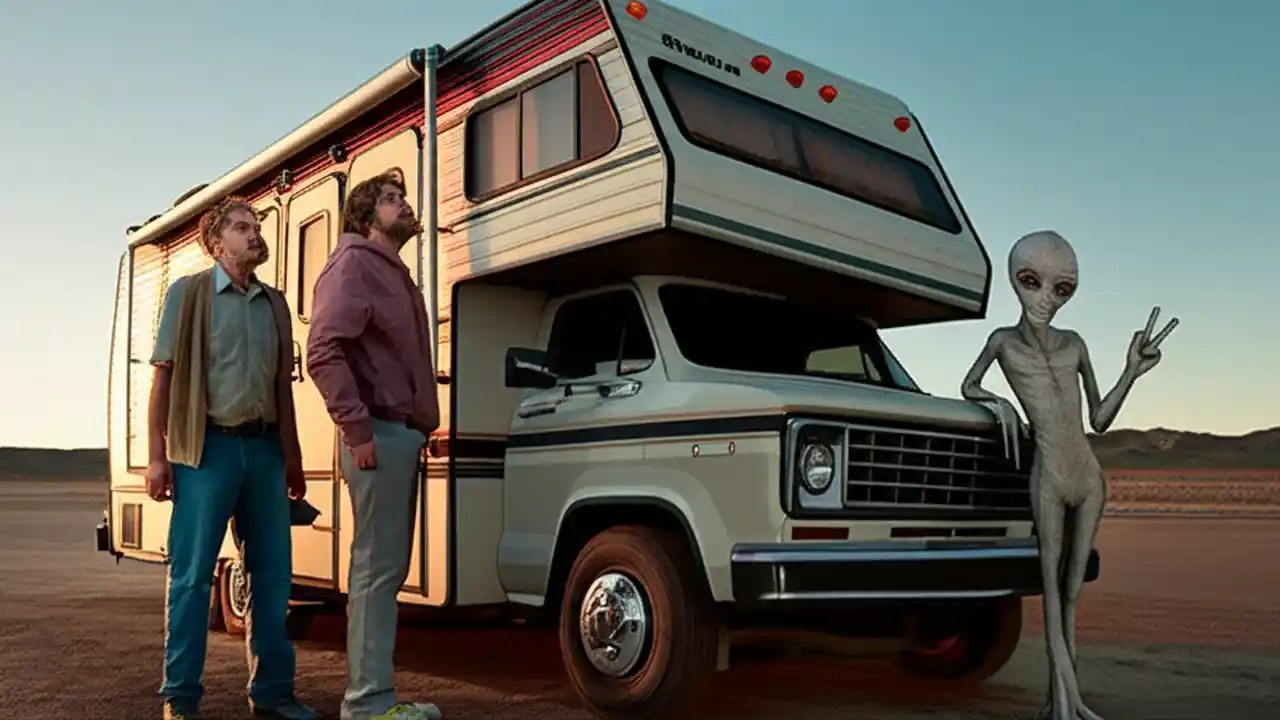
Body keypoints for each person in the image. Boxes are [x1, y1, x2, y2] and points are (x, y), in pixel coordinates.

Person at [146, 196, 321, 720]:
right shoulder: (189, 294)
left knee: (272, 577)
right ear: (216, 243)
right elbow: (163, 380)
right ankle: (180, 699)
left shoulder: (275, 303)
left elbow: (282, 389)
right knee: (193, 575)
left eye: (256, 225)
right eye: (243, 227)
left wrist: (292, 456)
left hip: (265, 450)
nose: (254, 233)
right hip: (207, 449)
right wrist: (157, 457)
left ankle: (273, 695)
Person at [306, 173, 442, 720]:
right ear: (366, 218)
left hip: (395, 434)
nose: (405, 205)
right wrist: (358, 430)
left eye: (402, 197)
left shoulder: (392, 272)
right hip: (377, 435)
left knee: (384, 570)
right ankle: (367, 706)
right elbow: (323, 350)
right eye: (391, 200)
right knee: (374, 572)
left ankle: (377, 699)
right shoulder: (355, 264)